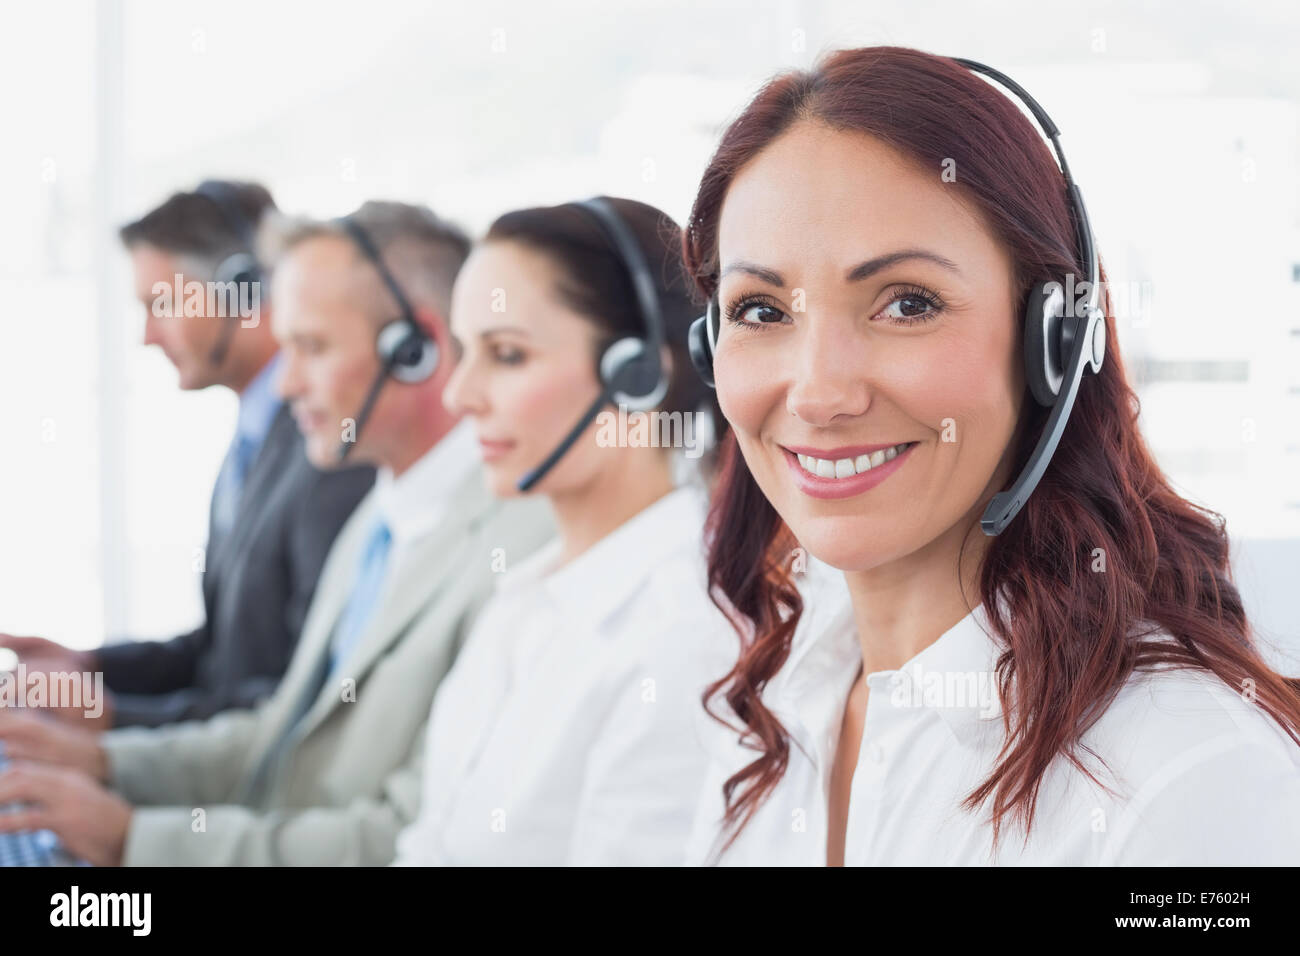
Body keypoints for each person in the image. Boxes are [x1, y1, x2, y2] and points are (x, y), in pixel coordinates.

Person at [680, 47, 1300, 866]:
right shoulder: (772, 708)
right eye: (761, 310)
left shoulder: (1182, 780)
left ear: (1054, 340)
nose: (819, 392)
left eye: (907, 303)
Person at [0, 201, 554, 866]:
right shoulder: (380, 517)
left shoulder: (520, 554)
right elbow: (281, 733)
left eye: (312, 348)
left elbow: (407, 836)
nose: (286, 381)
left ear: (416, 350)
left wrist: (135, 839)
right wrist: (104, 760)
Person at [392, 197, 735, 865]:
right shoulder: (527, 594)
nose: (461, 394)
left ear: (636, 376)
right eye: (465, 352)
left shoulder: (684, 633)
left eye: (508, 355)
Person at [0, 180, 374, 729]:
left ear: (244, 291)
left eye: (162, 304)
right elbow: (222, 653)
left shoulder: (328, 453)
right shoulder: (257, 437)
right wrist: (90, 670)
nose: (147, 336)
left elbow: (297, 698)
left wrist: (110, 720)